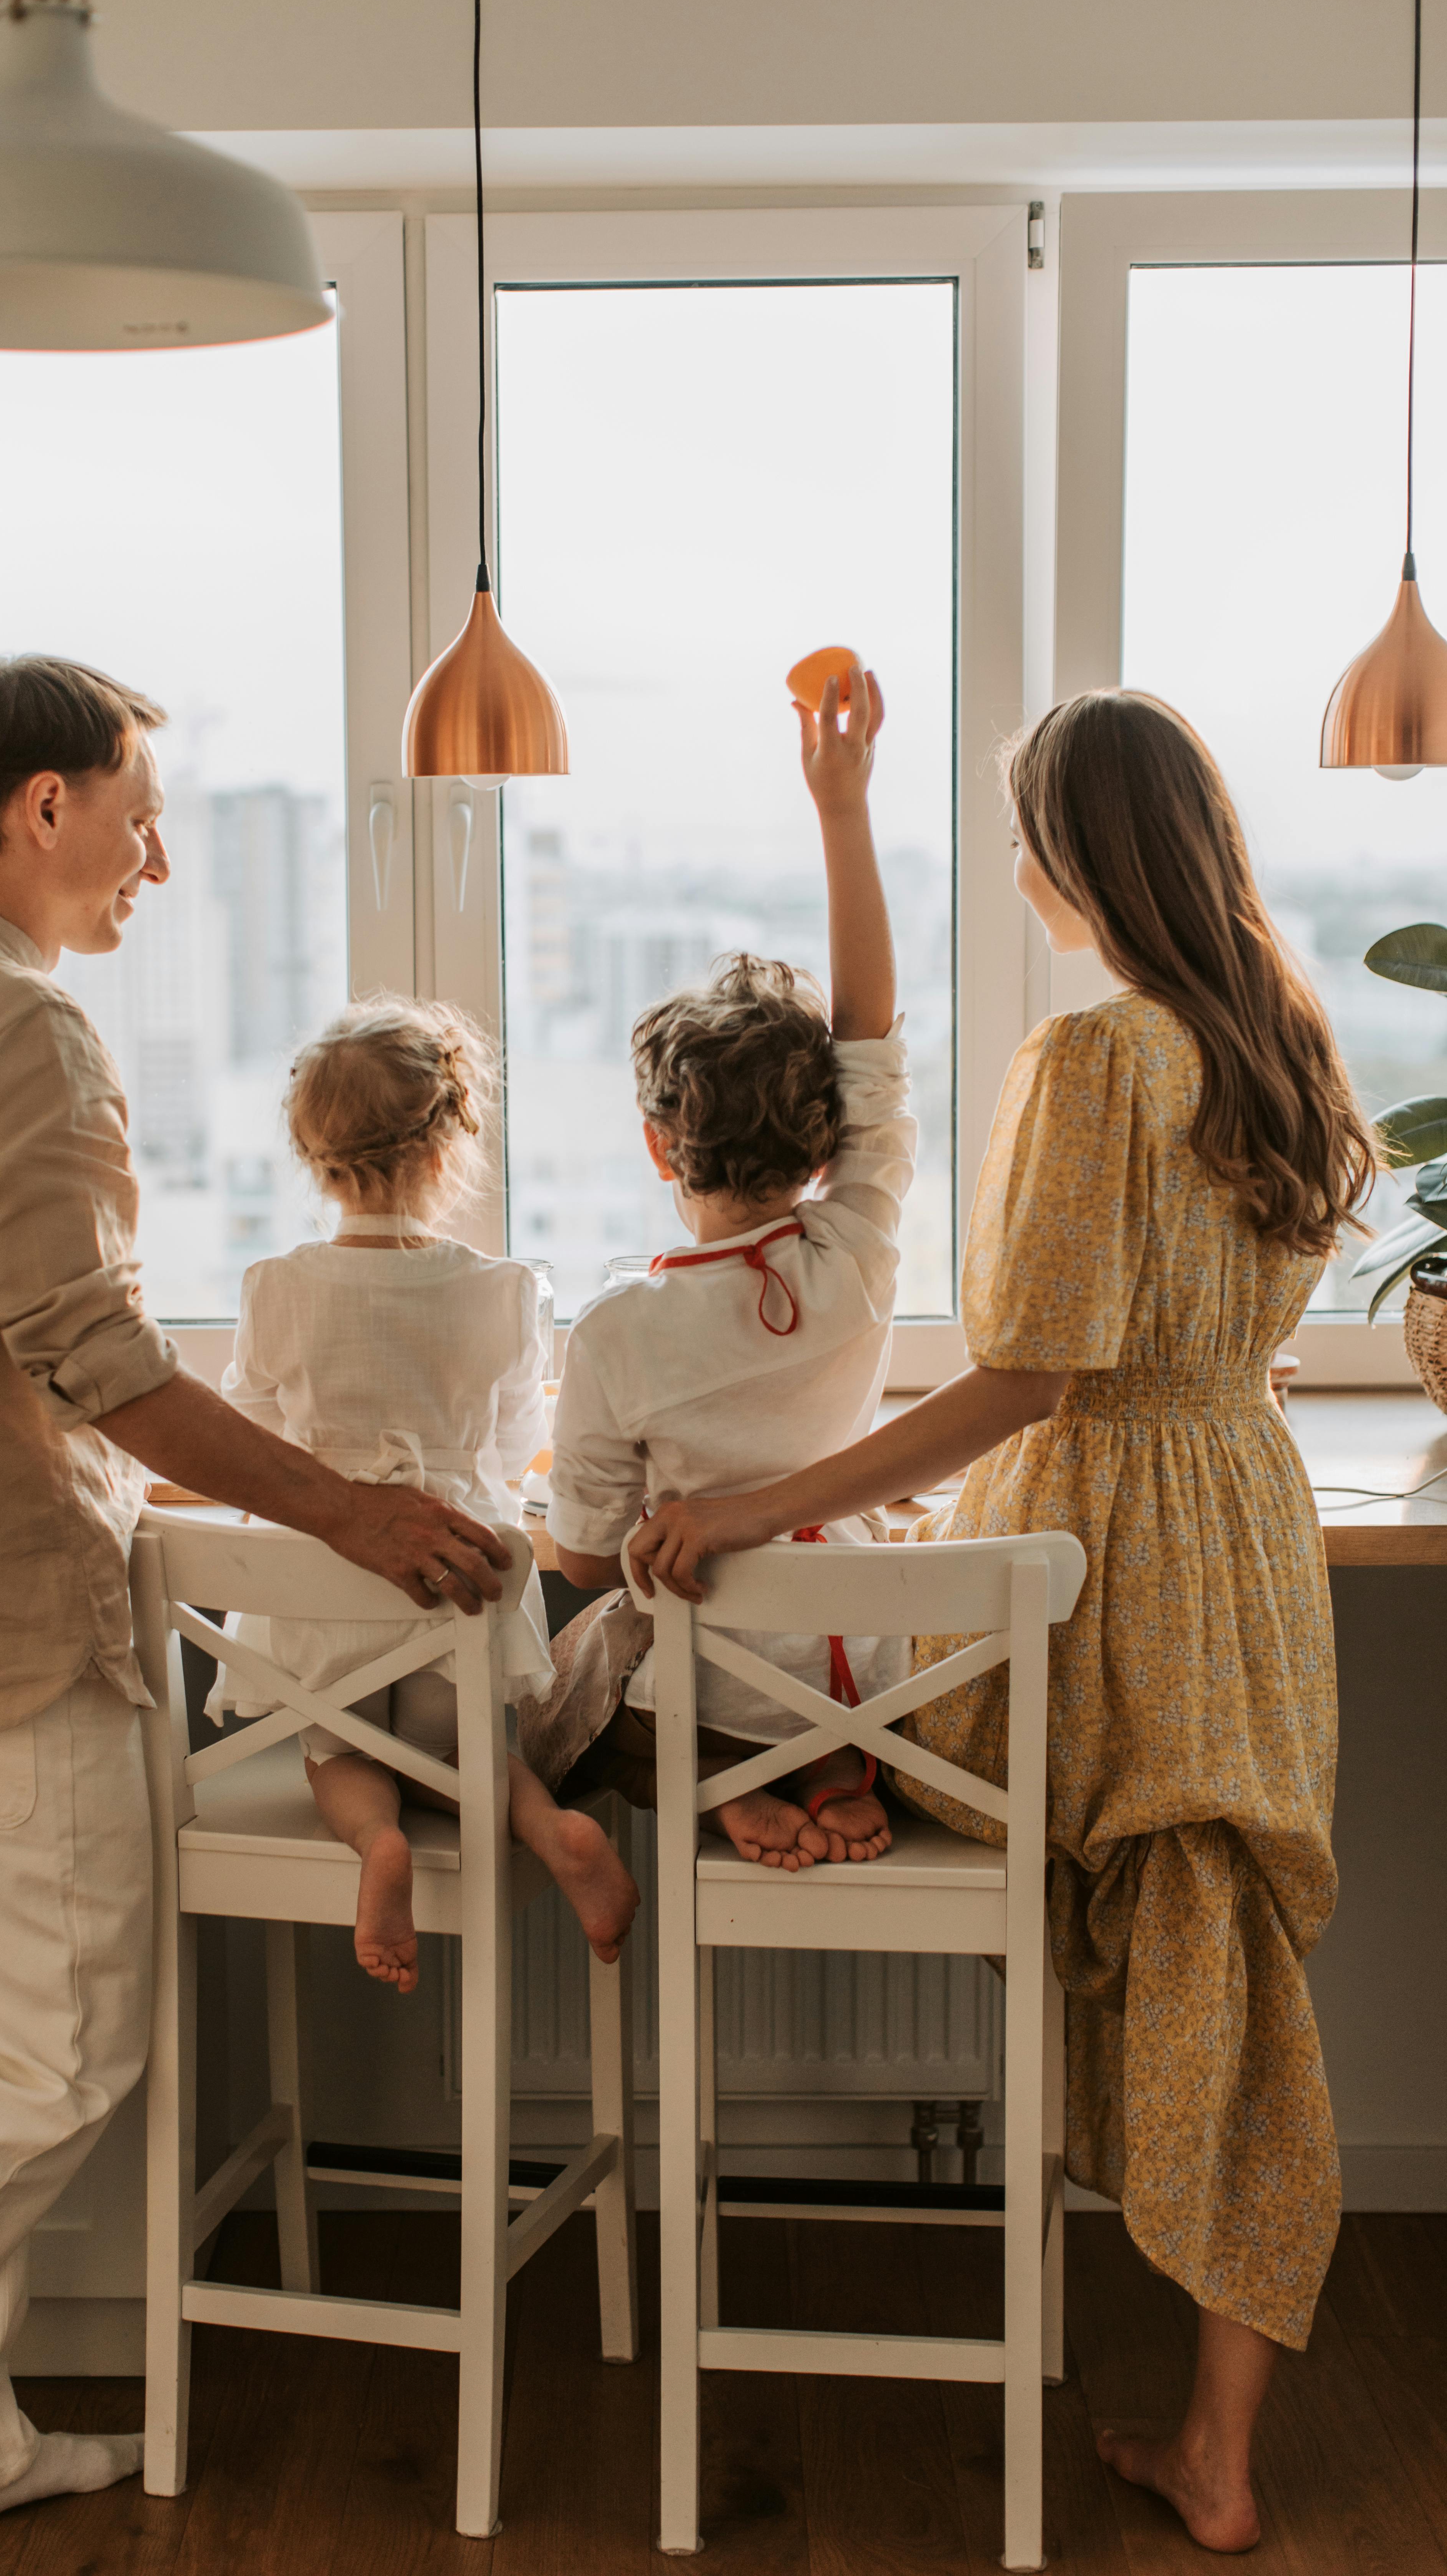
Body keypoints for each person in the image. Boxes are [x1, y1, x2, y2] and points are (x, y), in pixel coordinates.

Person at [0, 657, 510, 2569]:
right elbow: (88, 1347)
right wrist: (349, 1506)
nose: (159, 852)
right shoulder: (27, 1034)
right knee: (61, 2055)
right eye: (139, 809)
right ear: (45, 809)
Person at [629, 688, 1375, 2555]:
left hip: (1110, 1534)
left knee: (848, 1714)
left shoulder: (1095, 1059)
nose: (1021, 863)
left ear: (1080, 855)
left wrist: (754, 1501)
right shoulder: (1275, 1031)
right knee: (1221, 1961)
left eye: (1025, 829)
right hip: (1247, 1526)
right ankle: (1214, 2434)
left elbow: (1029, 1376)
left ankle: (798, 1800)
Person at [534, 667, 916, 1867]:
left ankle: (709, 1787)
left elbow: (587, 1562)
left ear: (658, 1142)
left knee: (575, 1698)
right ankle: (848, 1774)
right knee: (816, 1670)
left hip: (718, 1691)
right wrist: (843, 810)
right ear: (825, 1141)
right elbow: (875, 1043)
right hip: (864, 1674)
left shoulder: (616, 1332)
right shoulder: (855, 1253)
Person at [216, 995, 640, 1994]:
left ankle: (376, 1847)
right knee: (476, 1760)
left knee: (339, 1753)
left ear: (312, 1156)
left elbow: (253, 1432)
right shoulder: (501, 1289)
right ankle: (548, 1824)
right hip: (460, 1588)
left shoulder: (276, 1286)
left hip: (327, 1600)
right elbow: (514, 1446)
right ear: (449, 1150)